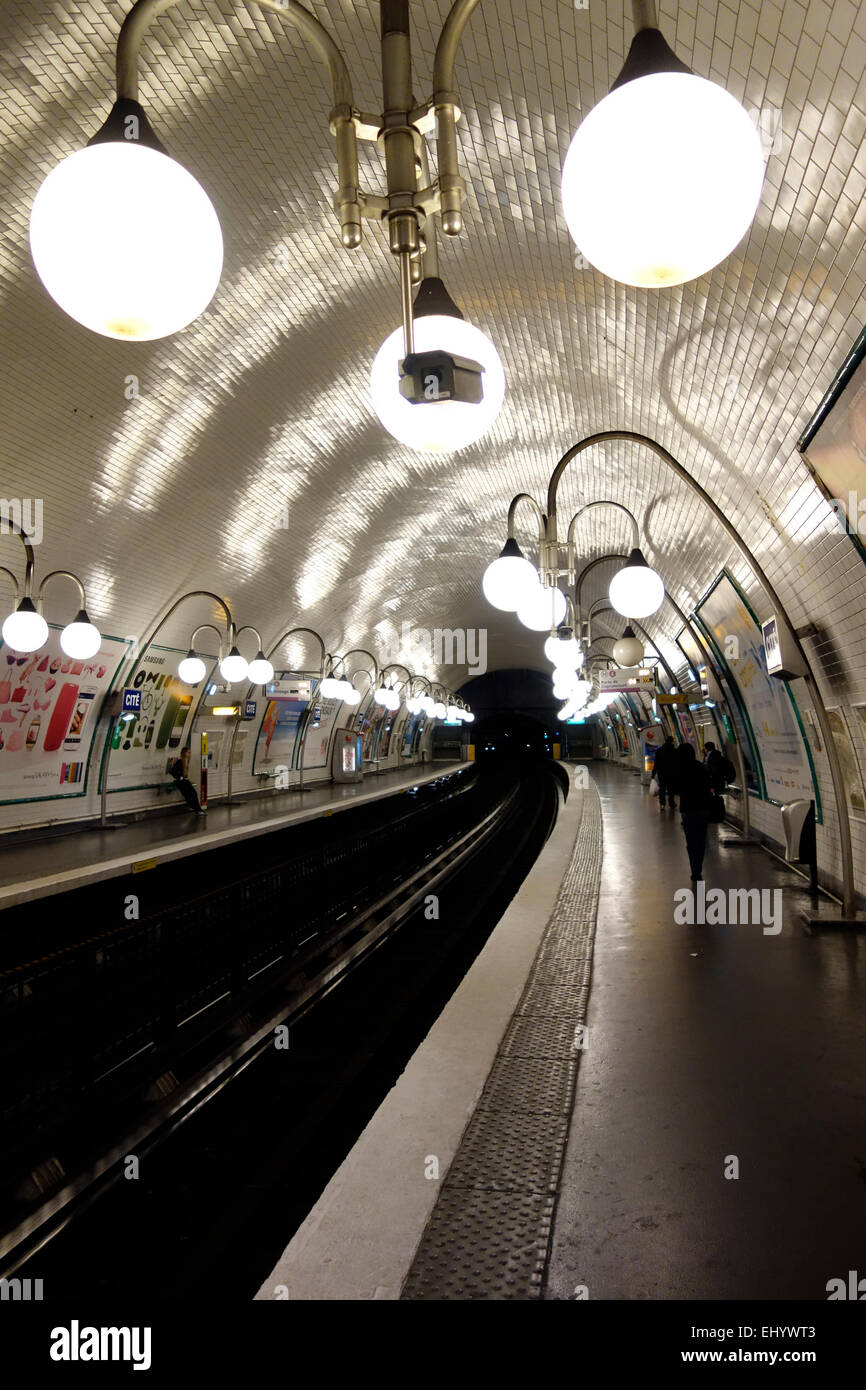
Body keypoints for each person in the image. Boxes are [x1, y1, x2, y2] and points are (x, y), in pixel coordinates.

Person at [674, 742, 714, 881]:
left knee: (691, 841)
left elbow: (676, 788)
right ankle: (699, 867)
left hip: (688, 810)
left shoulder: (679, 769)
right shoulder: (700, 767)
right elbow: (709, 784)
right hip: (703, 808)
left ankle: (695, 870)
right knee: (701, 840)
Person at [169, 745, 205, 815]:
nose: (189, 754)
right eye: (188, 752)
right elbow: (172, 771)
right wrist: (178, 777)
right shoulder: (179, 762)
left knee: (193, 793)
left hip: (185, 781)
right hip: (180, 781)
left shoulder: (186, 762)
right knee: (188, 795)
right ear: (184, 753)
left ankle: (198, 809)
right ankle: (197, 809)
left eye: (190, 752)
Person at [652, 736, 678, 809]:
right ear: (672, 741)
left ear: (665, 741)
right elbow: (677, 763)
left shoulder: (659, 750)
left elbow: (656, 763)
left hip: (662, 773)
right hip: (671, 774)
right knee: (671, 790)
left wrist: (653, 774)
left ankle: (662, 804)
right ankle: (671, 803)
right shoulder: (674, 751)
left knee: (662, 789)